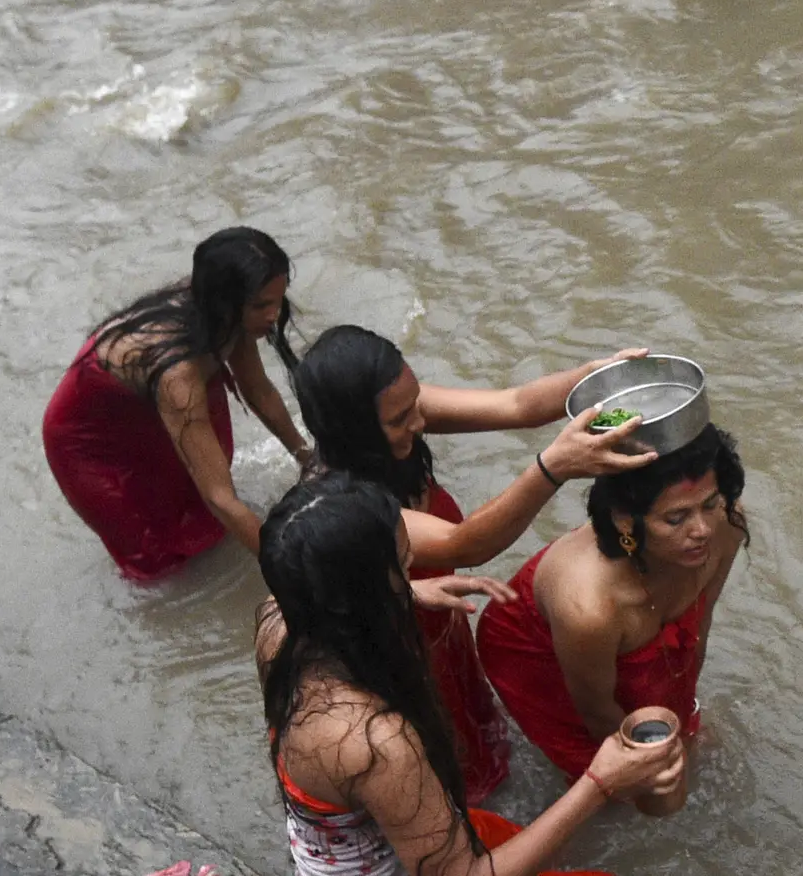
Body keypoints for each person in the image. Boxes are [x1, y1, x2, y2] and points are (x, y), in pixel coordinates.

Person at [290, 326, 657, 801]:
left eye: (417, 403)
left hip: (440, 622)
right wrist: (555, 467)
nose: (419, 420)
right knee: (437, 778)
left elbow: (517, 405)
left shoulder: (402, 405)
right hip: (394, 656)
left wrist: (592, 378)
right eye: (401, 420)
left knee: (480, 744)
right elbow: (462, 545)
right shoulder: (342, 502)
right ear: (355, 432)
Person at [258, 471, 685, 876]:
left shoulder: (276, 624)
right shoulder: (375, 742)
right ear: (365, 596)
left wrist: (408, 593)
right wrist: (598, 783)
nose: (413, 569)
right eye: (405, 566)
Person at [477, 425, 747, 815]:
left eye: (710, 503)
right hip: (535, 654)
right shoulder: (590, 608)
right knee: (612, 789)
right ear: (624, 522)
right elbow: (597, 714)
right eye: (676, 518)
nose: (702, 530)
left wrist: (683, 716)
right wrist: (643, 773)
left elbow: (698, 628)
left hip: (599, 633)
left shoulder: (726, 526)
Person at [41, 227, 315, 582]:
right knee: (157, 558)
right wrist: (294, 575)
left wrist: (308, 460)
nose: (274, 315)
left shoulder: (230, 313)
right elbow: (220, 497)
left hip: (148, 402)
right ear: (226, 304)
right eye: (262, 305)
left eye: (278, 300)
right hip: (92, 441)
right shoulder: (179, 375)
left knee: (200, 510)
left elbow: (258, 391)